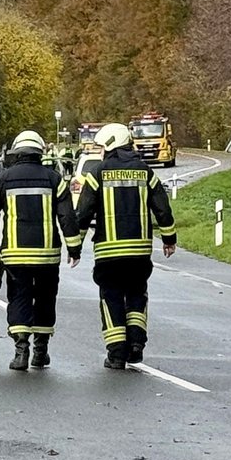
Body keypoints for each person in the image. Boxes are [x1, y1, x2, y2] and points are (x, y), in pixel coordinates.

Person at [67, 122, 177, 369]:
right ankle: (136, 343)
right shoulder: (146, 172)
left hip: (109, 252)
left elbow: (83, 214)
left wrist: (74, 248)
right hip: (139, 251)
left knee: (112, 297)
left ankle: (117, 353)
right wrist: (169, 239)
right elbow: (162, 208)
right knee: (137, 293)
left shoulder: (98, 174)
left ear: (110, 146)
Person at [0, 130, 77, 371]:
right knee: (45, 298)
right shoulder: (54, 179)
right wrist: (74, 248)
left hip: (15, 253)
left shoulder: (2, 180)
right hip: (47, 255)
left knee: (19, 297)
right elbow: (67, 216)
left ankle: (21, 350)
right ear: (40, 152)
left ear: (17, 152)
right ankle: (40, 351)